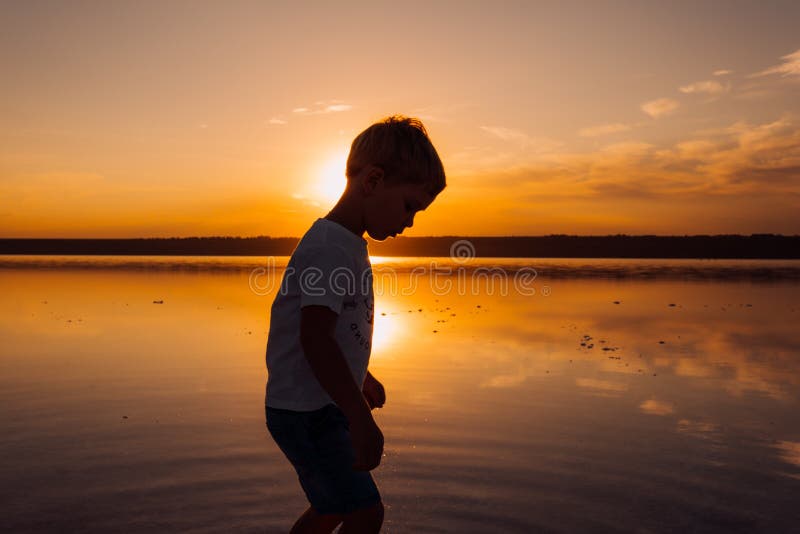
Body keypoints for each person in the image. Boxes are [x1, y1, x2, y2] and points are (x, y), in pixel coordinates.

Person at [264, 115, 446, 533]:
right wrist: (360, 417)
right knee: (365, 512)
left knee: (331, 509)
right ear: (373, 181)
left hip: (307, 407)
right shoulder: (331, 248)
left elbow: (331, 335)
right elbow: (314, 338)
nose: (410, 222)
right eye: (409, 206)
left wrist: (361, 376)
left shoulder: (343, 244)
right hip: (308, 413)